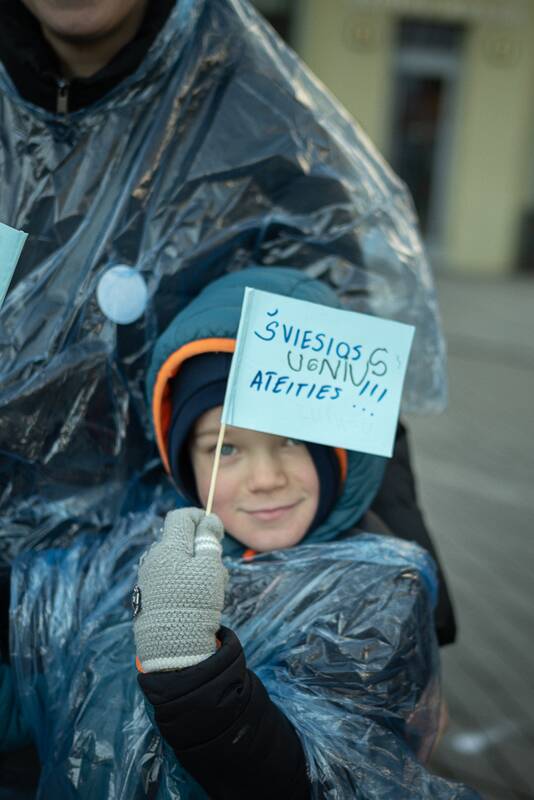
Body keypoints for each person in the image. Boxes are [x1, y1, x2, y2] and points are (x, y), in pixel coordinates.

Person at [0, 0, 455, 792]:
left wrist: (398, 597)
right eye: (231, 448)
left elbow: (325, 360)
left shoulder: (265, 119)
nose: (268, 467)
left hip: (233, 575)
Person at [132, 266, 475, 799]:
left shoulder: (377, 599)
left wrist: (187, 672)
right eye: (226, 448)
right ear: (183, 461)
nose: (266, 479)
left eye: (291, 439)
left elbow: (330, 782)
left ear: (337, 444)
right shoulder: (137, 557)